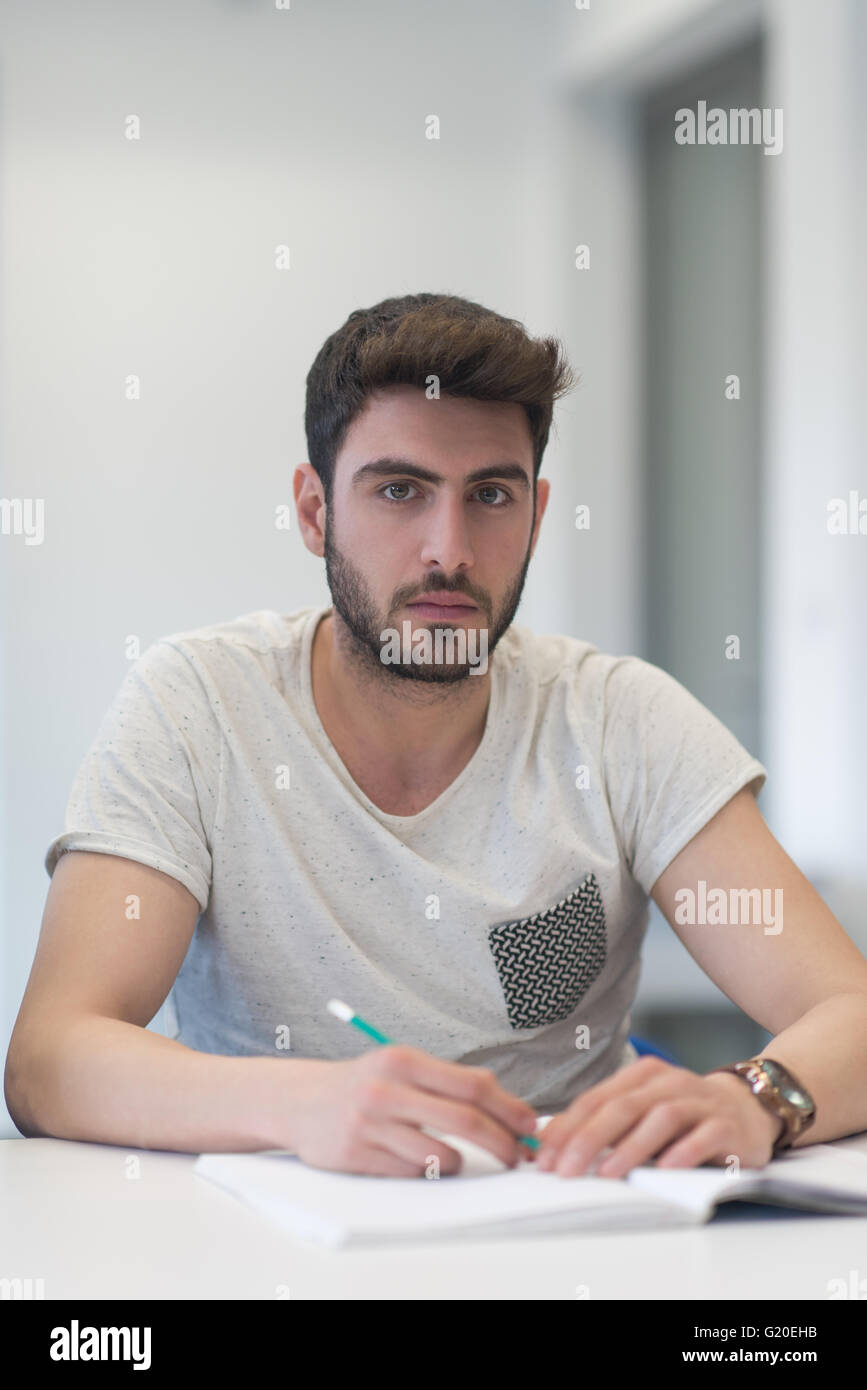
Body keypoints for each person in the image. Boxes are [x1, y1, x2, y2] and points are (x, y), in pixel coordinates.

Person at [7, 292, 867, 1179]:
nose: (447, 550)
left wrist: (753, 1097)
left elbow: (849, 1009)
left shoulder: (623, 720)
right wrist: (301, 1103)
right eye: (398, 490)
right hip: (270, 1227)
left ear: (534, 515)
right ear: (314, 511)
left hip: (575, 1221)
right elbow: (50, 1059)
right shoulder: (195, 705)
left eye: (489, 495)